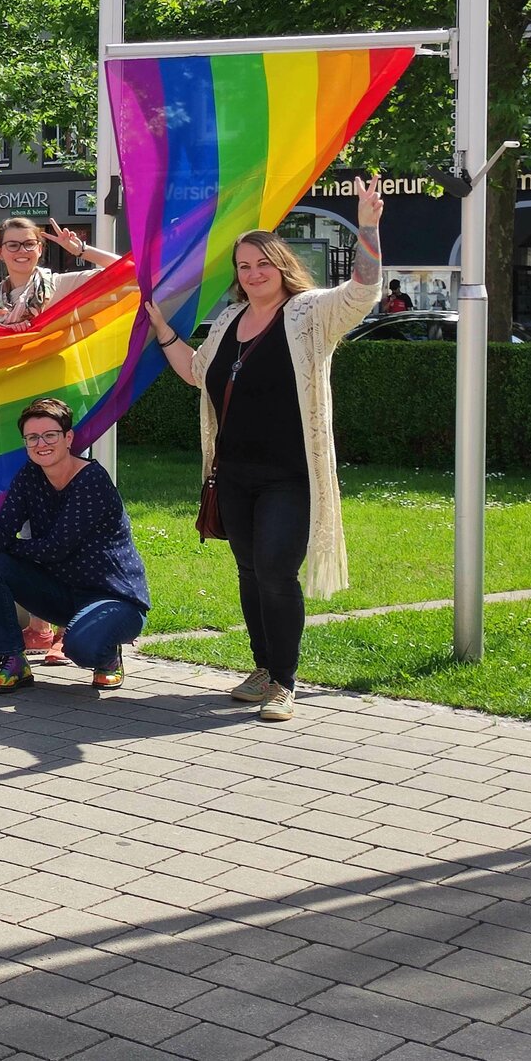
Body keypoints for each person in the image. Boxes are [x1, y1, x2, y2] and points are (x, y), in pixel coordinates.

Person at [146, 175, 386, 723]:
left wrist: (367, 228)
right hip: (232, 473)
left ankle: (284, 680)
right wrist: (162, 328)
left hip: (289, 474)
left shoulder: (309, 313)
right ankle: (262, 666)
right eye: (244, 266)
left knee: (277, 572)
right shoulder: (229, 319)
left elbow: (363, 293)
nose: (253, 274)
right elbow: (197, 373)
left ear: (283, 266)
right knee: (250, 571)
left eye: (263, 264)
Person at [0, 215, 125, 662]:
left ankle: (73, 623)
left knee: (69, 517)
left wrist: (80, 250)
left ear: (40, 249)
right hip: (18, 414)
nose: (21, 251)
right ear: (0, 251)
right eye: (12, 245)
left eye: (28, 244)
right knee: (30, 510)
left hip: (60, 410)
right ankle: (38, 626)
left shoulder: (60, 283)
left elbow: (125, 270)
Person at [0, 398, 151, 693]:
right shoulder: (29, 475)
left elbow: (55, 548)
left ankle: (107, 655)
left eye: (50, 435)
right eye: (32, 437)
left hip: (113, 598)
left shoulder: (92, 480)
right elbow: (3, 532)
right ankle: (12, 661)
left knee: (80, 649)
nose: (41, 443)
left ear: (68, 438)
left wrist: (2, 543)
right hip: (63, 592)